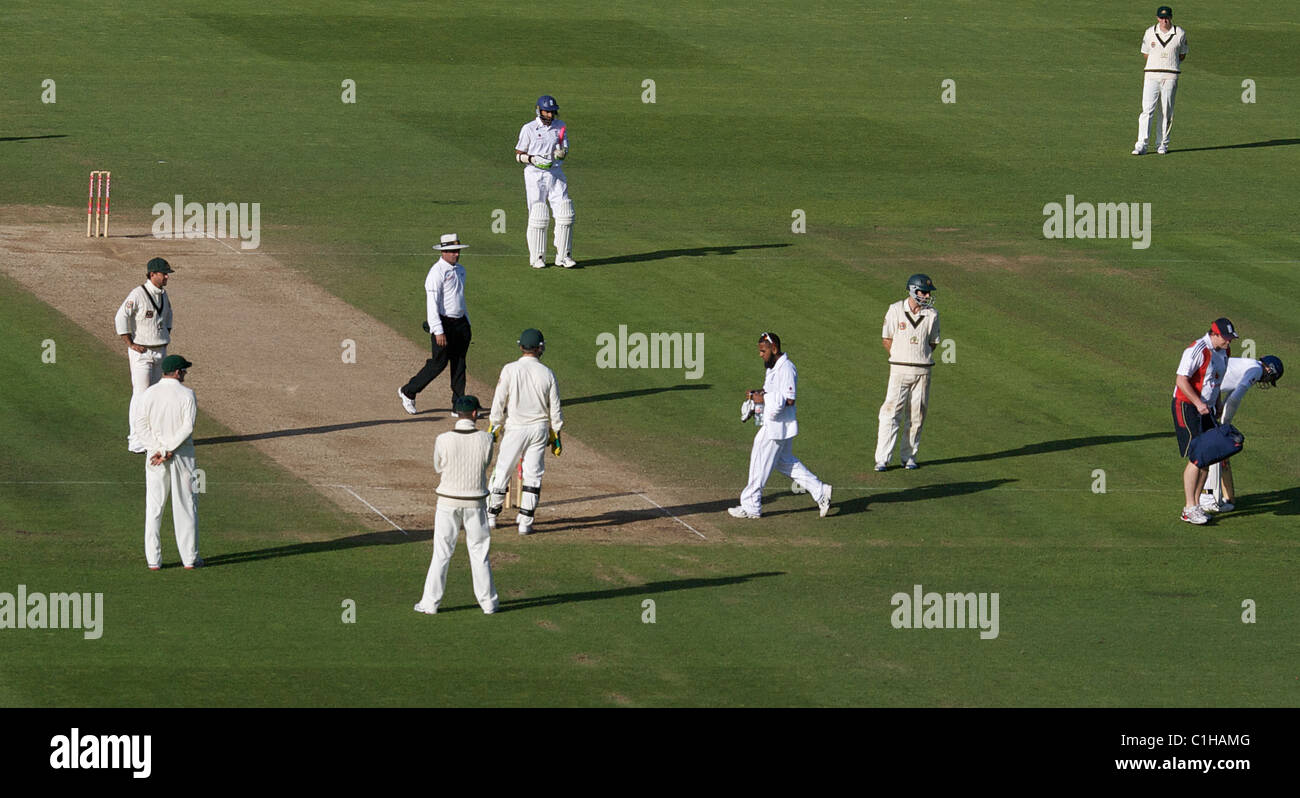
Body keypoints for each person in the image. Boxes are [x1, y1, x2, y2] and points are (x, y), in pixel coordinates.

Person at [728, 332, 832, 519]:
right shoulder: (772, 368)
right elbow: (771, 392)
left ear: (774, 348)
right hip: (778, 426)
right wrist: (756, 395)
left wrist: (763, 398)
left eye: (763, 351)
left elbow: (790, 399)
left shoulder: (787, 369)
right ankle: (821, 491)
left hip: (776, 428)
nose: (761, 354)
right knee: (786, 464)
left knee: (758, 462)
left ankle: (751, 505)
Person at [414, 395, 499, 616]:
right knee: (480, 553)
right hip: (475, 503)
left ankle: (430, 604)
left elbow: (438, 466)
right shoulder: (486, 439)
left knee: (442, 553)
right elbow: (485, 462)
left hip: (447, 502)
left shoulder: (443, 439)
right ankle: (488, 604)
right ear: (473, 414)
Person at [486, 329, 564, 535]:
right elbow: (555, 407)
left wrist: (495, 424)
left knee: (503, 470)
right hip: (539, 429)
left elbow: (499, 400)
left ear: (521, 347)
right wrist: (556, 432)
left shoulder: (510, 369)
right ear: (540, 348)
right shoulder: (547, 373)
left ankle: (491, 516)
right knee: (533, 474)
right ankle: (525, 522)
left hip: (516, 428)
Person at [134, 354, 201, 569]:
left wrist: (158, 449)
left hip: (155, 458)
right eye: (184, 370)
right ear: (178, 372)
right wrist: (168, 449)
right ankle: (189, 558)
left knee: (154, 507)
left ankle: (154, 560)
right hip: (181, 455)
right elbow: (187, 428)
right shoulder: (187, 394)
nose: (186, 374)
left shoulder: (148, 394)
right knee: (186, 505)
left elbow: (140, 427)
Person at [1200, 354, 1283, 513]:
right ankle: (1208, 498)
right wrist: (1225, 424)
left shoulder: (1248, 365)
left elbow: (1230, 394)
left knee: (1212, 447)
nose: (1266, 381)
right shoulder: (1256, 370)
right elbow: (1235, 398)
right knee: (1214, 448)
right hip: (1204, 395)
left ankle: (1210, 496)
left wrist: (1221, 410)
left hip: (1205, 394)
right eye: (1270, 377)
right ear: (1269, 369)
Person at [399, 234, 472, 414]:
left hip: (461, 324)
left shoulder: (461, 270)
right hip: (444, 324)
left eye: (458, 251)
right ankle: (408, 391)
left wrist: (467, 322)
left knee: (460, 363)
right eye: (453, 251)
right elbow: (432, 304)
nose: (456, 254)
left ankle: (458, 403)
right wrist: (438, 330)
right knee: (438, 364)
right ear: (444, 252)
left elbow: (459, 299)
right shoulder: (436, 273)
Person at [1172, 318, 1235, 525]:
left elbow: (1216, 380)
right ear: (1214, 335)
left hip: (1207, 408)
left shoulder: (1225, 352)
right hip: (1187, 406)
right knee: (1196, 456)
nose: (1229, 342)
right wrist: (1199, 403)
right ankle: (1189, 507)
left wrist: (1215, 402)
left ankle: (1196, 505)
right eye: (1226, 338)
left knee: (1206, 456)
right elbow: (1181, 380)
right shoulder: (1197, 350)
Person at [874, 273, 940, 471]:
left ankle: (909, 456)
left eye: (928, 293)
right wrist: (902, 357)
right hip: (898, 369)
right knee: (890, 413)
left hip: (923, 370)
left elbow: (932, 343)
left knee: (917, 414)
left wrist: (917, 357)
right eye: (924, 292)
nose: (927, 296)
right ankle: (882, 459)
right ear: (913, 290)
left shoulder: (932, 315)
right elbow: (887, 339)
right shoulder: (895, 310)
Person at [115, 257, 174, 453]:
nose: (167, 277)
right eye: (164, 273)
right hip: (142, 353)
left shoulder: (163, 295)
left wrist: (164, 335)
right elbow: (121, 316)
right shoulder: (138, 294)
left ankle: (153, 438)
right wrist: (130, 342)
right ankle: (135, 440)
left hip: (160, 351)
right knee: (141, 396)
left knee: (156, 396)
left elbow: (168, 317)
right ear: (152, 274)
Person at [514, 95, 576, 269]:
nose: (549, 115)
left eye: (552, 112)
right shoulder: (529, 129)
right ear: (539, 110)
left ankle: (564, 256)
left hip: (555, 173)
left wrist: (562, 152)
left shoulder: (560, 126)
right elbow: (518, 155)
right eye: (546, 112)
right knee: (538, 214)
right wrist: (533, 159)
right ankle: (537, 257)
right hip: (535, 175)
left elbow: (564, 146)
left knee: (565, 213)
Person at [1132, 6, 1188, 156]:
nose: (1165, 20)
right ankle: (1141, 145)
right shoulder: (1150, 32)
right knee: (1147, 110)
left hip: (1170, 75)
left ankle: (1162, 144)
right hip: (1151, 75)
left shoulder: (1180, 33)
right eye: (1162, 17)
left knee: (1166, 111)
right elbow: (1146, 54)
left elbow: (1182, 55)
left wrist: (1169, 65)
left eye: (1167, 17)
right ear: (1157, 18)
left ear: (1171, 17)